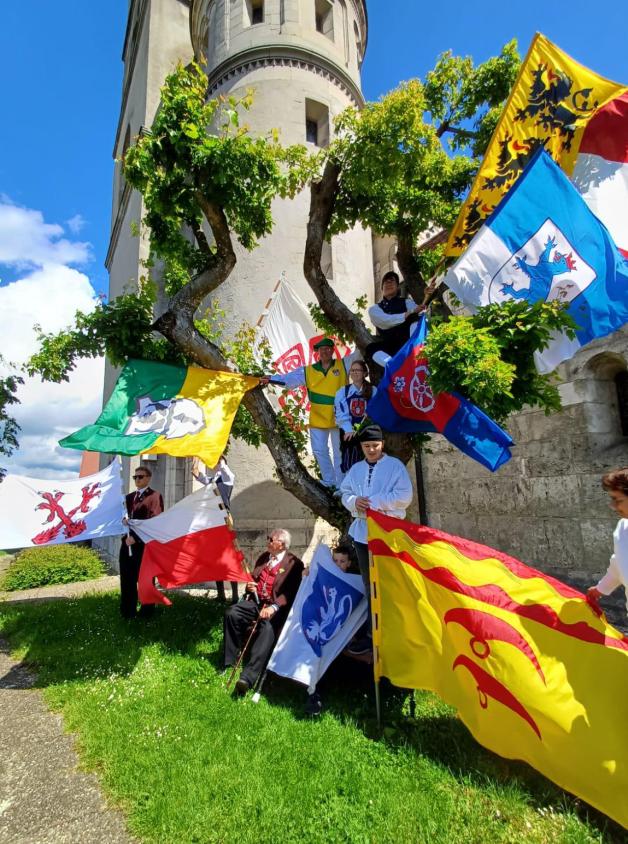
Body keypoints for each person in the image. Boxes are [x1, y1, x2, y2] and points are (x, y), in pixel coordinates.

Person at [340, 425, 413, 654]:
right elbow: (345, 492)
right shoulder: (356, 469)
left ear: (382, 444)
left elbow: (404, 497)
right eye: (366, 446)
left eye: (375, 445)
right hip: (362, 534)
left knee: (388, 583)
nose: (371, 449)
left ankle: (394, 633)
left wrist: (374, 502)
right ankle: (373, 633)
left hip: (387, 533)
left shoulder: (395, 467)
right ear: (361, 447)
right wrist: (354, 502)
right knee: (369, 584)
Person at [224, 529, 304, 695]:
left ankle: (248, 678)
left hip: (275, 608)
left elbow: (290, 592)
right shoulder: (263, 557)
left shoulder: (294, 564)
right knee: (232, 613)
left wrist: (273, 607)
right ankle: (228, 661)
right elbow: (253, 578)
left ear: (281, 545)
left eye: (271, 539)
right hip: (255, 602)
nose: (267, 541)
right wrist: (250, 585)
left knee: (267, 630)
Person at [261, 337, 348, 489]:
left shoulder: (344, 364)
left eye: (328, 348)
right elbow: (288, 379)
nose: (326, 351)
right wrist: (270, 379)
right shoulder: (308, 370)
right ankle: (329, 482)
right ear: (317, 353)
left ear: (333, 350)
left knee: (339, 452)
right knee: (319, 449)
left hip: (339, 417)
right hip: (318, 417)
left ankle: (341, 485)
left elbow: (361, 354)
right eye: (322, 349)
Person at [303, 542, 355, 718]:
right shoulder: (326, 579)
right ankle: (314, 694)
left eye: (342, 561)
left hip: (343, 633)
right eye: (336, 561)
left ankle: (315, 693)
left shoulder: (355, 583)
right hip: (324, 631)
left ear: (349, 563)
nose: (338, 564)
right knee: (319, 651)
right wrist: (306, 578)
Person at [192, 454, 238, 603]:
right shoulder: (213, 480)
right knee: (216, 558)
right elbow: (196, 473)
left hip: (224, 519)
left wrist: (219, 457)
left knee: (229, 557)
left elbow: (224, 468)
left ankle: (236, 595)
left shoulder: (228, 476)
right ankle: (221, 595)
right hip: (213, 520)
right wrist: (197, 456)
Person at [119, 465, 164, 619]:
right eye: (135, 477)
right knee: (127, 580)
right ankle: (128, 613)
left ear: (148, 478)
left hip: (143, 547)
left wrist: (136, 539)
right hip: (126, 544)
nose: (137, 479)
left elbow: (154, 522)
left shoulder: (155, 497)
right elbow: (122, 518)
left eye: (140, 476)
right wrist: (122, 523)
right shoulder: (128, 498)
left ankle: (146, 614)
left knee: (145, 581)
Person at [587, 468, 628, 618]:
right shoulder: (623, 528)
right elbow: (620, 562)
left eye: (618, 500)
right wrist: (601, 588)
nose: (613, 506)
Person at [365, 271, 422, 364]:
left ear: (397, 287)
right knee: (370, 348)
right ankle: (393, 366)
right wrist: (405, 315)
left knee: (415, 317)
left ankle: (416, 348)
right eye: (386, 282)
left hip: (407, 341)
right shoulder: (374, 309)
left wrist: (426, 296)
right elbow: (385, 321)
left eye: (392, 281)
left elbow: (418, 311)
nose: (389, 284)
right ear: (382, 288)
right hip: (390, 345)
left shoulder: (407, 302)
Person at [334, 359, 377, 474]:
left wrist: (364, 427)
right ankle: (349, 487)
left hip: (367, 431)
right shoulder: (342, 392)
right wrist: (349, 430)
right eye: (352, 370)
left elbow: (375, 411)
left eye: (358, 370)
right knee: (350, 460)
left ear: (364, 373)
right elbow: (341, 414)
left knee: (368, 462)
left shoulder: (373, 390)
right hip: (350, 432)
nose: (354, 372)